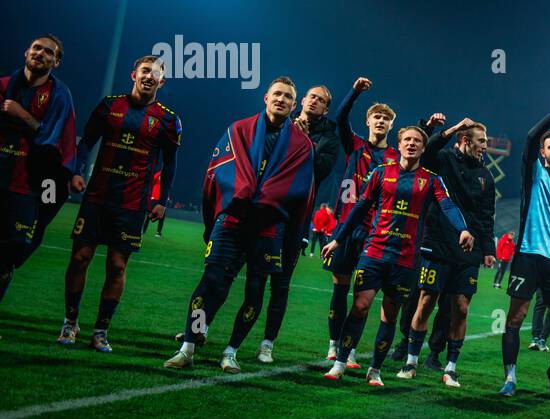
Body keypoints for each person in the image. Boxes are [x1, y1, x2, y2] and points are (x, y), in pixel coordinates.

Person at [164, 77, 315, 370]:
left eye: (287, 97)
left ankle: (231, 351)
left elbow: (303, 194)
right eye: (277, 94)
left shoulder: (302, 145)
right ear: (266, 98)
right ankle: (189, 347)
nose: (281, 100)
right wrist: (217, 217)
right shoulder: (239, 129)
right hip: (232, 221)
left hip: (269, 228)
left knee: (255, 291)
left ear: (294, 106)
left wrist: (292, 238)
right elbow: (215, 173)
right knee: (210, 284)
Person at [321, 126, 471, 386]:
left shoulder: (432, 180)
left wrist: (463, 229)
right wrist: (337, 239)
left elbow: (447, 205)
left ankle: (375, 370)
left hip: (405, 259)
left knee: (389, 316)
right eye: (407, 140)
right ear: (399, 145)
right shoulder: (380, 173)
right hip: (375, 252)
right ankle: (340, 362)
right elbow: (360, 208)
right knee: (359, 306)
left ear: (423, 149)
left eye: (417, 141)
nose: (412, 144)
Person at [60, 54, 181, 352]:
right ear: (134, 74)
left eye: (155, 73)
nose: (149, 76)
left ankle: (101, 330)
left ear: (162, 81)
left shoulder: (167, 120)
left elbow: (170, 164)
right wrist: (77, 172)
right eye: (144, 70)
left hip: (131, 203)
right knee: (80, 258)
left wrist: (160, 200)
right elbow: (86, 142)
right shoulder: (109, 106)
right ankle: (70, 322)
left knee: (117, 265)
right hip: (97, 197)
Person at [226, 81, 340, 368]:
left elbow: (320, 170)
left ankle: (267, 344)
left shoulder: (329, 138)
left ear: (326, 109)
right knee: (231, 274)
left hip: (294, 221)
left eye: (320, 100)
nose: (313, 102)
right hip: (258, 216)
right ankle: (200, 330)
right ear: (301, 100)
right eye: (310, 97)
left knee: (280, 285)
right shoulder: (277, 126)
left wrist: (304, 143)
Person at [393, 116, 496, 385]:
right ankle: (410, 360)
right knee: (425, 301)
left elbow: (487, 215)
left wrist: (488, 249)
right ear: (464, 140)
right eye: (481, 141)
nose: (485, 146)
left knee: (460, 308)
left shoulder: (486, 176)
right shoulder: (444, 160)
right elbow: (427, 150)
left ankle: (450, 367)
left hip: (468, 248)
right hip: (437, 242)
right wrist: (449, 129)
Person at [499, 99, 550, 399]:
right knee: (515, 318)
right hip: (527, 256)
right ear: (543, 153)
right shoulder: (534, 175)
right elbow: (530, 137)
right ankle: (510, 376)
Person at [322, 77, 398, 366]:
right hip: (345, 226)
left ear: (392, 125)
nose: (380, 121)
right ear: (368, 121)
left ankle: (349, 347)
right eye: (376, 117)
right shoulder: (354, 145)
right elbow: (340, 116)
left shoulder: (395, 157)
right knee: (340, 288)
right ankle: (333, 344)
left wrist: (428, 128)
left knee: (362, 295)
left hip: (374, 232)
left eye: (386, 119)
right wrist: (354, 92)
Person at [0, 35, 77, 316]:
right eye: (36, 48)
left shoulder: (59, 95)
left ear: (55, 62)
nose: (40, 54)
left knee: (11, 255)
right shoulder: (4, 85)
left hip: (27, 187)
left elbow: (53, 140)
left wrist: (22, 115)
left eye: (48, 52)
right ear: (26, 52)